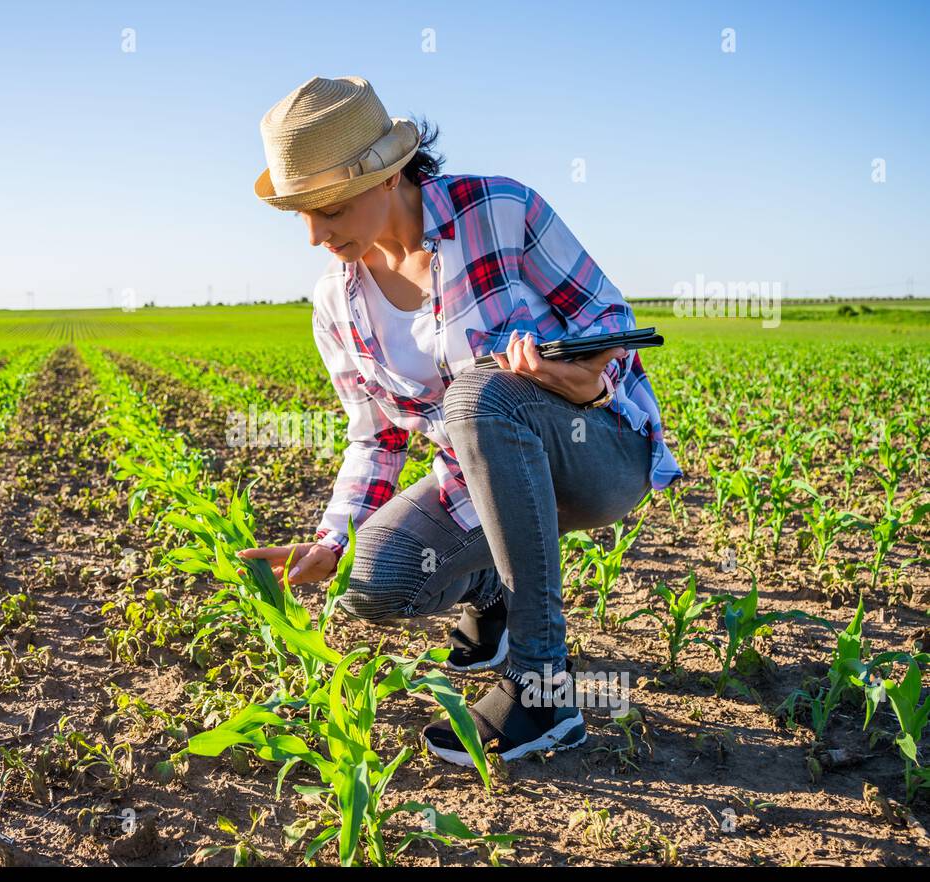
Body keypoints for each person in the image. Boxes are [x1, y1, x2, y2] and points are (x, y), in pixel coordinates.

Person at [239, 75, 682, 766]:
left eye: (328, 207)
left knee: (480, 394)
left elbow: (610, 321)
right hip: (479, 484)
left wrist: (578, 375)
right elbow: (377, 435)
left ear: (387, 176)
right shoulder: (338, 301)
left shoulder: (500, 210)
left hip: (595, 449)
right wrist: (331, 540)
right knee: (367, 583)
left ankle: (541, 687)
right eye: (300, 212)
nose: (315, 235)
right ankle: (493, 594)